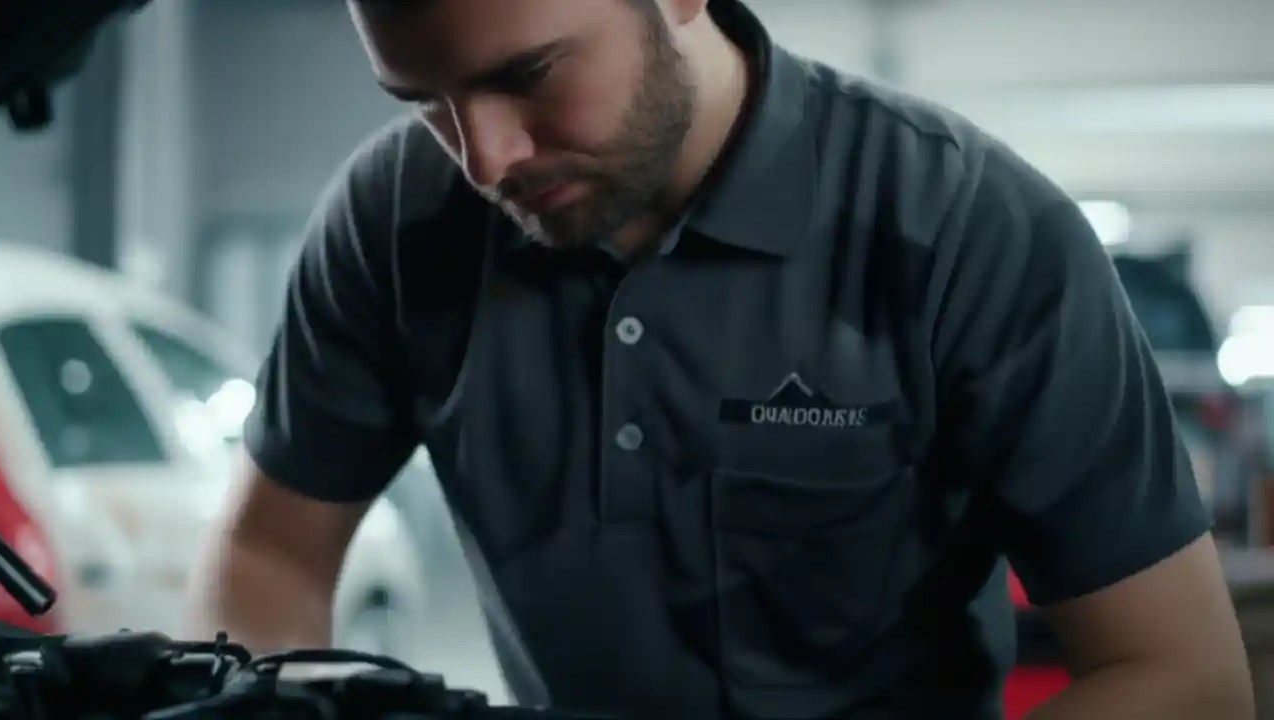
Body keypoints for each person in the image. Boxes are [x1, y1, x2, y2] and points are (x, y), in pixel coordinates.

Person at [186, 0, 1255, 717]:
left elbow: (1181, 675)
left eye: (531, 73)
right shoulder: (395, 222)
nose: (485, 157)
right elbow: (271, 552)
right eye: (425, 103)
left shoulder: (965, 227)